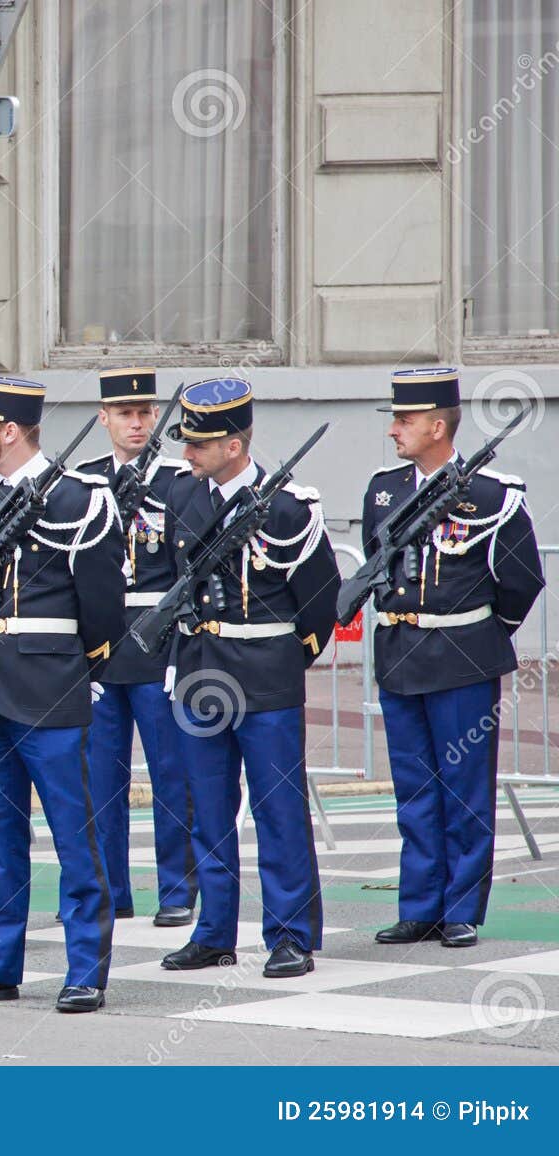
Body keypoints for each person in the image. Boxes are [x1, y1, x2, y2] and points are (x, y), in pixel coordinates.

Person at [0, 376, 125, 1013]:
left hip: (48, 685)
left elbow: (102, 612)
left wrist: (72, 667)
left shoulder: (79, 499)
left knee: (74, 833)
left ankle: (84, 969)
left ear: (8, 432)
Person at [156, 378, 339, 979]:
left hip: (263, 676)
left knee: (277, 808)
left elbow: (317, 603)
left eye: (199, 445)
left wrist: (284, 662)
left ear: (233, 445)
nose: (187, 453)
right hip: (200, 674)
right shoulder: (183, 497)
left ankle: (290, 934)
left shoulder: (288, 506)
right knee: (208, 808)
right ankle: (214, 933)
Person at [363, 368, 543, 950]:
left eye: (405, 421)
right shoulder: (384, 490)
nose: (394, 430)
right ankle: (419, 907)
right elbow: (379, 568)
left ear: (438, 427)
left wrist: (481, 635)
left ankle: (461, 907)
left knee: (464, 789)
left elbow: (521, 581)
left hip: (462, 659)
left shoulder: (493, 496)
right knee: (414, 791)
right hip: (399, 655)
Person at [75, 367, 197, 927]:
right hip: (101, 645)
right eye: (124, 413)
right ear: (104, 418)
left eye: (145, 412)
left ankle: (176, 889)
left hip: (157, 642)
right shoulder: (85, 481)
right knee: (101, 779)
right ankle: (110, 890)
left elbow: (187, 570)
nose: (137, 422)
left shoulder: (178, 480)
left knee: (171, 772)